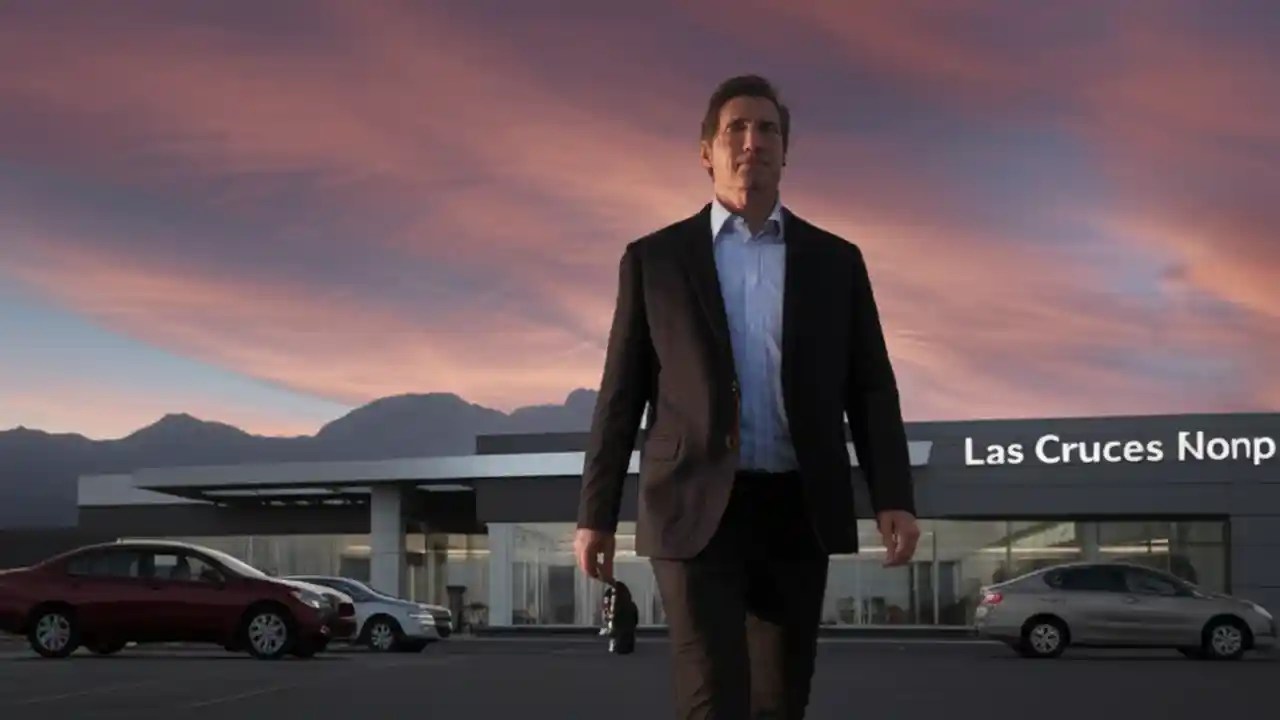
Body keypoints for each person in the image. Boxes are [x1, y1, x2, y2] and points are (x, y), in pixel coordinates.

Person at [574, 74, 920, 719]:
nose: (752, 141)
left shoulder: (835, 261)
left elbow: (870, 386)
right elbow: (621, 392)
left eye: (768, 129)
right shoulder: (656, 259)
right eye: (736, 128)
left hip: (798, 502)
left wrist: (893, 495)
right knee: (712, 695)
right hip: (693, 502)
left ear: (785, 150)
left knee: (780, 702)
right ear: (706, 150)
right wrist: (595, 512)